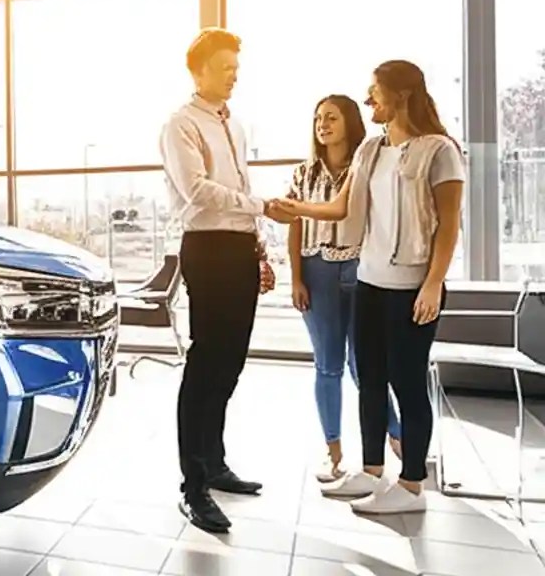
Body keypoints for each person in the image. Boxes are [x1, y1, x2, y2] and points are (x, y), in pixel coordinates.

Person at [279, 60, 464, 515]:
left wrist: (433, 284)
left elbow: (449, 225)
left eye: (375, 92)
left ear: (401, 95)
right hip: (370, 283)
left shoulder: (440, 150)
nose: (368, 100)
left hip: (413, 288)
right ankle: (371, 470)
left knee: (407, 383)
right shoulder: (371, 150)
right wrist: (291, 208)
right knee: (371, 382)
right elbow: (341, 208)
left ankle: (412, 485)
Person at [159, 28, 289, 534]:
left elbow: (239, 186)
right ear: (198, 71)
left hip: (238, 248)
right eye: (224, 67)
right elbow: (197, 190)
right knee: (206, 364)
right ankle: (193, 487)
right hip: (207, 248)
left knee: (230, 363)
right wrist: (261, 207)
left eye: (237, 67)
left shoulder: (233, 124)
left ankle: (213, 463)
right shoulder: (181, 124)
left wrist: (257, 243)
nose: (234, 75)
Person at [287, 95, 402, 483]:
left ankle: (399, 436)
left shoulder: (367, 165)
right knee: (327, 364)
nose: (323, 124)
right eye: (318, 118)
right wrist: (296, 278)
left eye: (331, 117)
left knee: (364, 365)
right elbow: (295, 226)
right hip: (316, 273)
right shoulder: (303, 174)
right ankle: (332, 451)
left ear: (350, 122)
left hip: (362, 268)